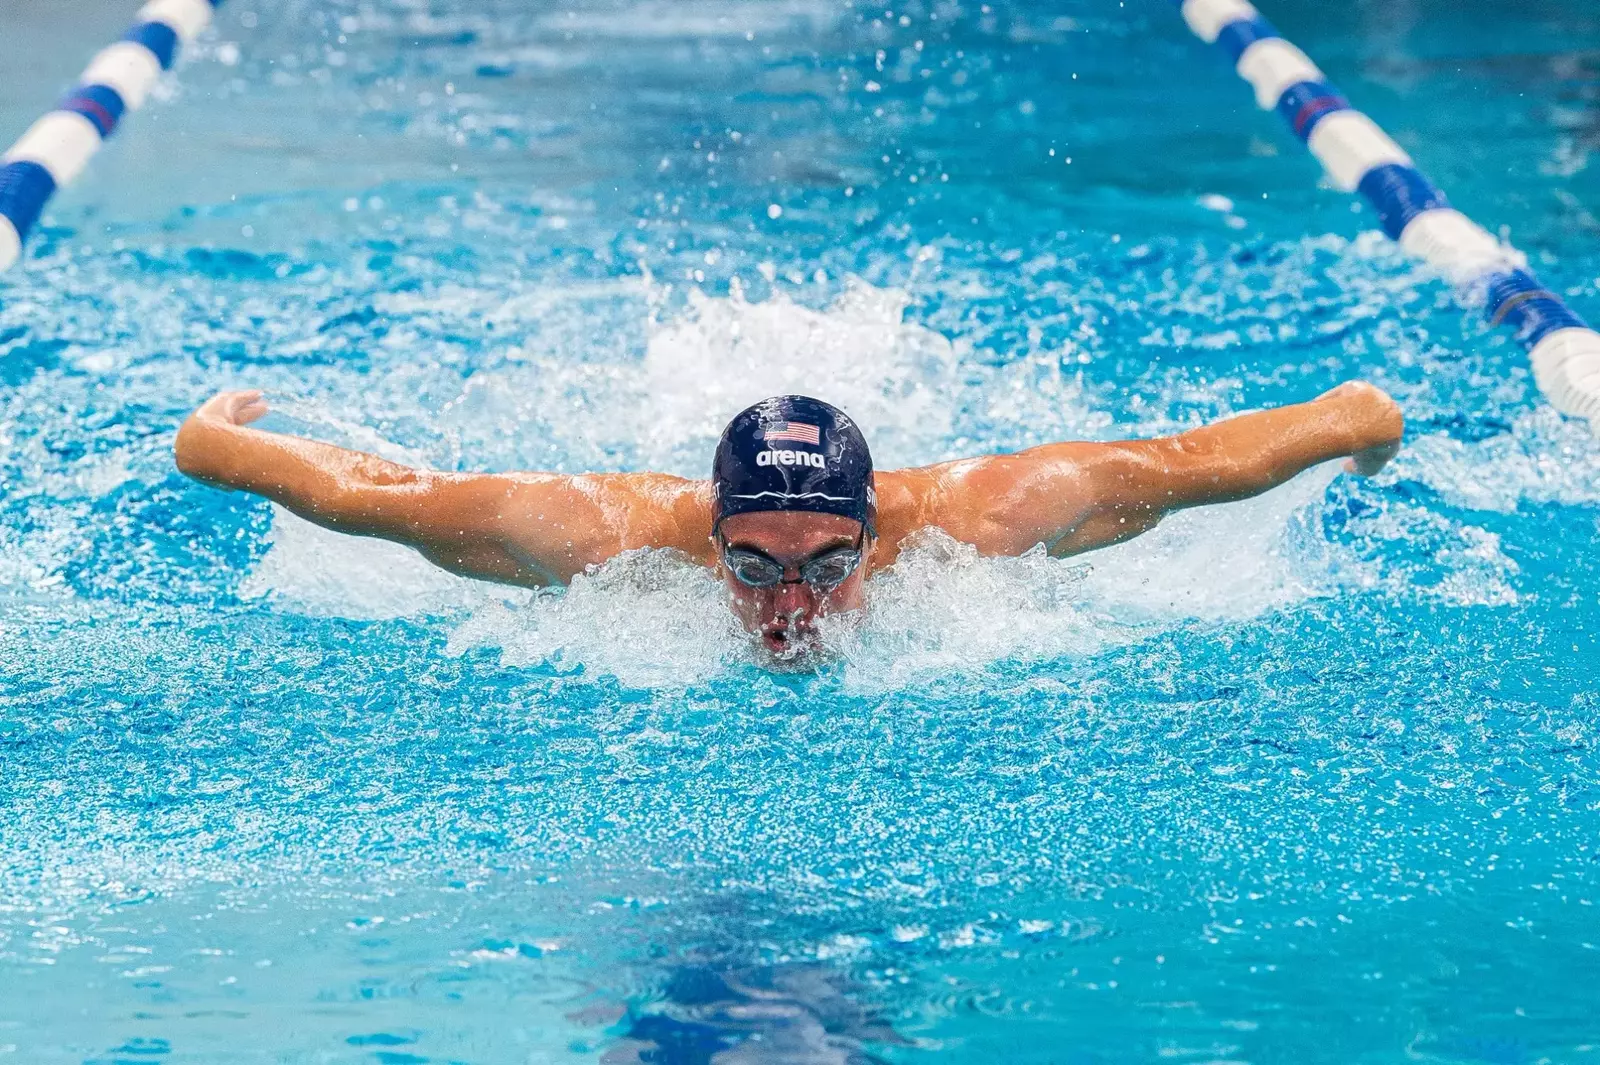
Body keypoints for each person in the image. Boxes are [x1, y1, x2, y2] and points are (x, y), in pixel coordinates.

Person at [174, 381, 1403, 659]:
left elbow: (1193, 464)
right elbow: (374, 497)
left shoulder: (983, 516)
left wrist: (1356, 423)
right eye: (753, 567)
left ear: (875, 529)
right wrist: (218, 442)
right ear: (710, 530)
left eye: (827, 564)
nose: (792, 608)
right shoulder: (599, 534)